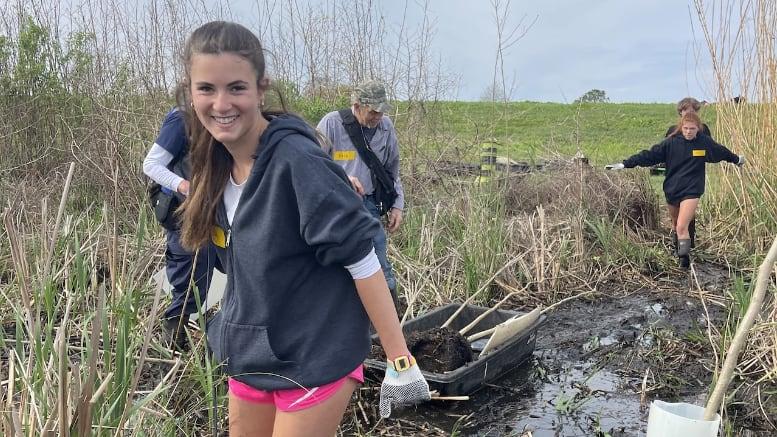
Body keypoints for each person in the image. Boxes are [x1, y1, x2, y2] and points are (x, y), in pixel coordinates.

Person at [175, 21, 429, 436]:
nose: (221, 103)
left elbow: (364, 261)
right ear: (191, 92)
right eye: (206, 89)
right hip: (253, 354)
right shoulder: (212, 161)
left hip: (314, 356)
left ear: (261, 88)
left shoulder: (297, 161)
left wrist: (400, 361)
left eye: (236, 88)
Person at [606, 112, 744, 268]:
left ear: (698, 129)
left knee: (681, 226)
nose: (688, 132)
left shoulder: (704, 142)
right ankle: (677, 248)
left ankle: (684, 260)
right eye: (685, 128)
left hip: (692, 189)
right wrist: (625, 164)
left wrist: (737, 159)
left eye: (692, 129)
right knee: (675, 224)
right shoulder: (671, 142)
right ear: (681, 127)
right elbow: (649, 155)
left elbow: (722, 152)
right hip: (672, 188)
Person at [316, 80, 404, 307]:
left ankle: (390, 319)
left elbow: (393, 170)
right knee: (340, 265)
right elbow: (313, 168)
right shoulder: (332, 124)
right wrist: (344, 180)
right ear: (357, 105)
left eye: (381, 111)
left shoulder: (386, 128)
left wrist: (397, 205)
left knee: (379, 261)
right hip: (336, 206)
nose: (378, 117)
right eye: (373, 111)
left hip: (369, 207)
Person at [143, 108, 219, 352]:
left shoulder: (225, 118)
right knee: (189, 279)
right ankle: (172, 346)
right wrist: (186, 186)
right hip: (184, 211)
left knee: (209, 271)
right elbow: (151, 164)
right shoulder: (182, 119)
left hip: (214, 210)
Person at [660, 97, 713, 251]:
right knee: (676, 215)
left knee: (688, 214)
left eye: (692, 111)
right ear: (680, 112)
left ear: (696, 112)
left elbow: (710, 151)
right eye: (685, 111)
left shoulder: (703, 129)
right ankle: (676, 243)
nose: (688, 113)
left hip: (693, 177)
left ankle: (689, 246)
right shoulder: (672, 131)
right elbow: (665, 151)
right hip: (674, 176)